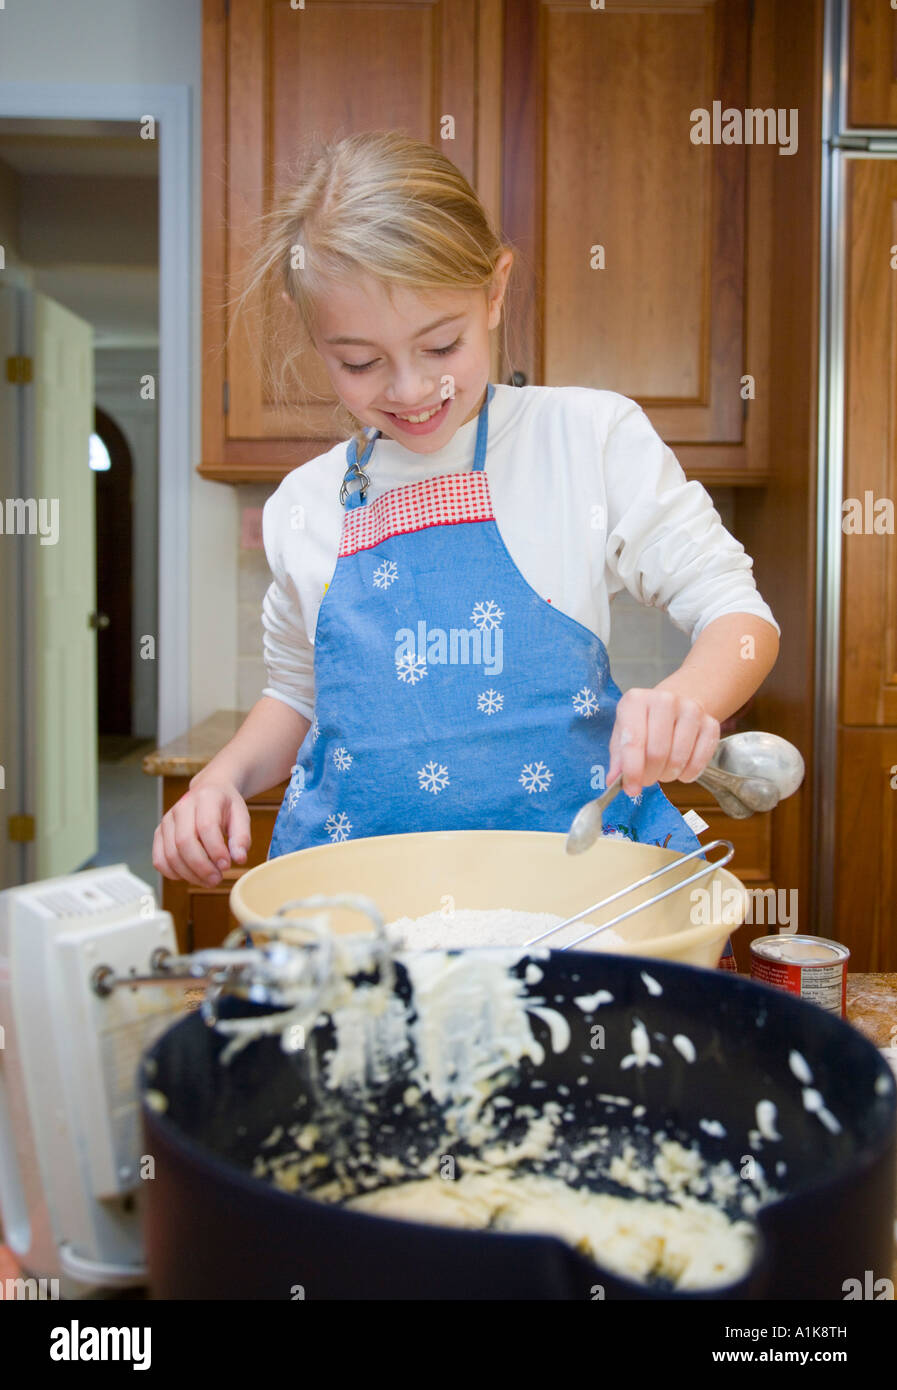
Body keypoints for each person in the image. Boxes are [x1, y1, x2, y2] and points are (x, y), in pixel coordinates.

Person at [153, 131, 780, 970]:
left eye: (441, 347)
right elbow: (295, 693)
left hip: (580, 903)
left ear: (494, 291)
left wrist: (687, 699)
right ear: (318, 345)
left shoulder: (585, 441)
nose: (410, 391)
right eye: (360, 362)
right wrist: (220, 782)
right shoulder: (305, 505)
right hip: (359, 927)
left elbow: (740, 618)